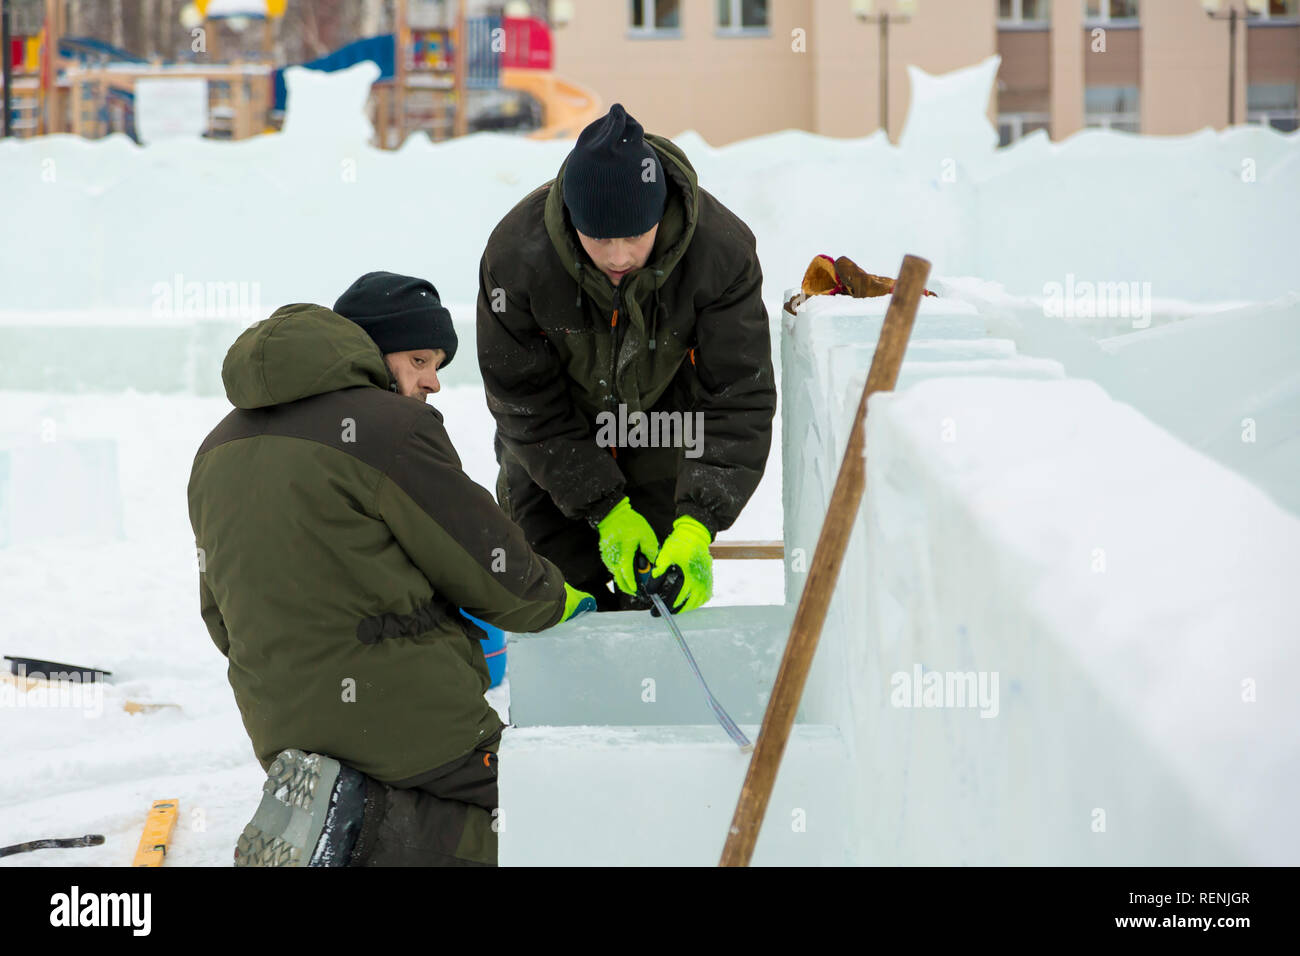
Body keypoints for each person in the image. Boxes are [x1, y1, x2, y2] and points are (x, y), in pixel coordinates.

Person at [187, 271, 595, 867]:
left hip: (279, 726)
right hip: (407, 718)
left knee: (412, 798)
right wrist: (560, 602)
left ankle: (337, 809)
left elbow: (217, 613)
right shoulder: (390, 429)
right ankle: (360, 829)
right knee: (544, 820)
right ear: (368, 351)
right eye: (420, 358)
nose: (432, 380)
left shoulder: (216, 449)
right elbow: (491, 567)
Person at [477, 104, 776, 615]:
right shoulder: (516, 258)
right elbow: (523, 401)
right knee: (562, 608)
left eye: (635, 236)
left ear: (660, 215)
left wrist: (697, 523)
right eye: (600, 239)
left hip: (664, 432)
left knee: (658, 603)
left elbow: (737, 397)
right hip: (553, 452)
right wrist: (606, 509)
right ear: (573, 222)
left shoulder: (720, 254)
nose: (618, 257)